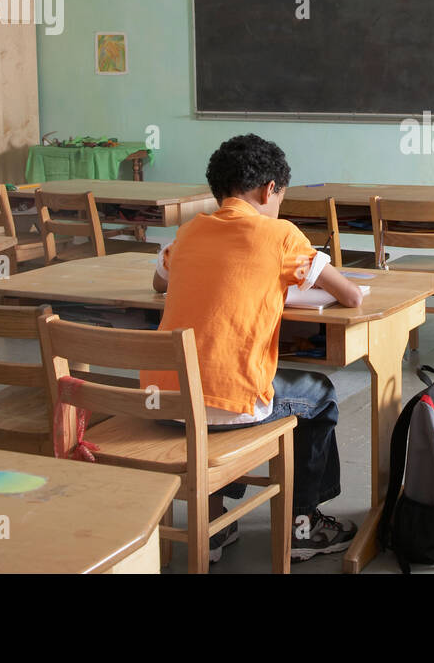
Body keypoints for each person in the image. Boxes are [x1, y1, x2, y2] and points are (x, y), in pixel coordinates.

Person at [145, 134, 363, 563]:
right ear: (270, 189)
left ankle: (211, 527)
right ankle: (303, 523)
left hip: (162, 402)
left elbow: (159, 282)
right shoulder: (281, 235)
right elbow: (351, 296)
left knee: (215, 375)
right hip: (226, 406)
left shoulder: (189, 232)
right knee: (319, 394)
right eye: (281, 195)